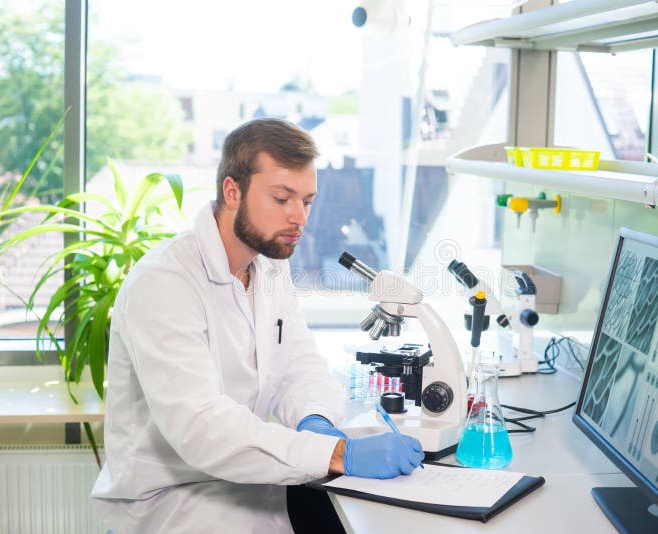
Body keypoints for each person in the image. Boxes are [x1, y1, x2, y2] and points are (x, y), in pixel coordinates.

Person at [91, 118, 424, 533]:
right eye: (282, 198)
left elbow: (298, 364)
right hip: (175, 504)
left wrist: (315, 418)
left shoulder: (266, 267)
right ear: (232, 191)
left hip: (249, 488)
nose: (299, 217)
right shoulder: (164, 282)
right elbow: (202, 428)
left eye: (307, 201)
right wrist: (338, 454)